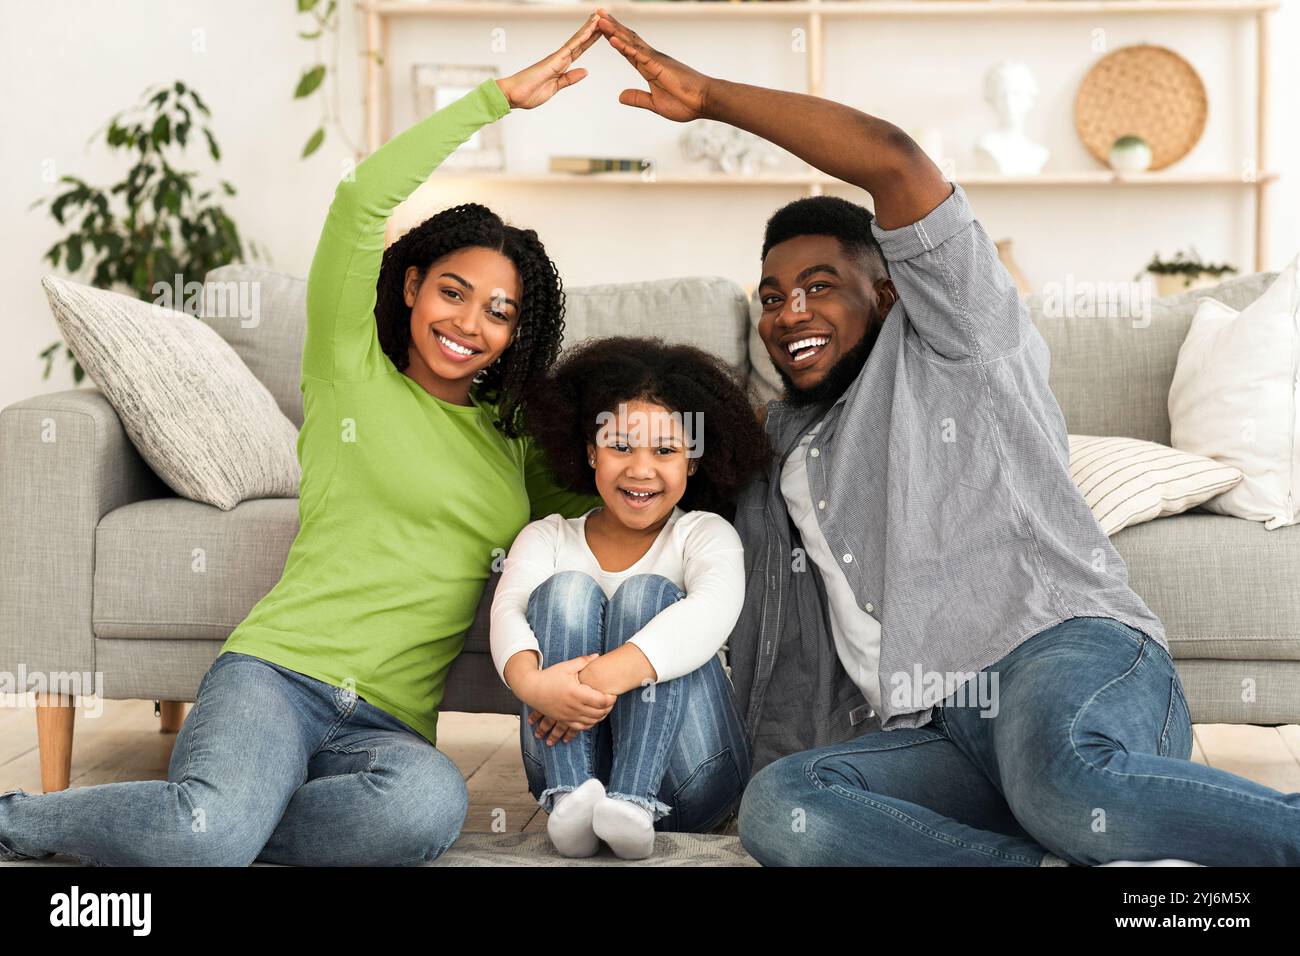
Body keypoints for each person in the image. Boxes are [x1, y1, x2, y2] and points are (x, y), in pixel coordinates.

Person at [592, 10, 1300, 866]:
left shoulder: (955, 340)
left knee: (1068, 783)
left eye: (821, 287)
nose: (791, 313)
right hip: (936, 732)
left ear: (888, 295)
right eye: (772, 297)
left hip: (1059, 655)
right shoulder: (779, 442)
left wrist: (711, 97)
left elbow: (894, 158)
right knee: (788, 805)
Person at [0, 13, 608, 867]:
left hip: (387, 725)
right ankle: (23, 817)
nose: (469, 324)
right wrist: (494, 99)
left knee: (429, 810)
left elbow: (611, 505)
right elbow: (362, 201)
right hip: (277, 679)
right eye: (453, 292)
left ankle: (219, 816)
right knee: (208, 837)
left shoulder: (513, 444)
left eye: (499, 312)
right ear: (410, 287)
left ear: (518, 332)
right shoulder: (347, 369)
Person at [490, 337, 770, 858]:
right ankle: (572, 797)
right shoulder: (547, 537)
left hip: (690, 778)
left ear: (692, 461)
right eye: (621, 446)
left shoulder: (705, 535)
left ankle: (634, 802)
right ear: (591, 451)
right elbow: (507, 611)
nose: (641, 469)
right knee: (564, 592)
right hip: (563, 779)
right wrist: (533, 684)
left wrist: (585, 683)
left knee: (648, 596)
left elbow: (710, 615)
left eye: (665, 451)